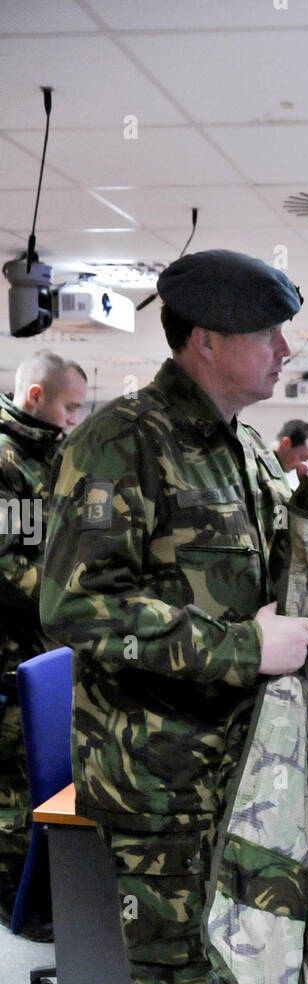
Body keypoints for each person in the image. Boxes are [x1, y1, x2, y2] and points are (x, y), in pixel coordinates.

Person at [40, 249, 308, 984]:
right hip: (158, 774)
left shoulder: (242, 449)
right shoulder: (119, 442)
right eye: (268, 334)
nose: (283, 351)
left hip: (240, 768)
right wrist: (234, 649)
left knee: (232, 970)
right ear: (207, 338)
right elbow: (75, 608)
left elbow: (276, 589)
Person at [0, 350, 88, 924]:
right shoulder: (6, 460)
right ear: (36, 397)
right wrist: (76, 601)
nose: (76, 418)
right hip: (13, 649)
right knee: (15, 781)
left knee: (47, 775)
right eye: (70, 406)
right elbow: (7, 565)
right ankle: (16, 904)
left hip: (47, 645)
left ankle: (45, 894)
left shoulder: (49, 455)